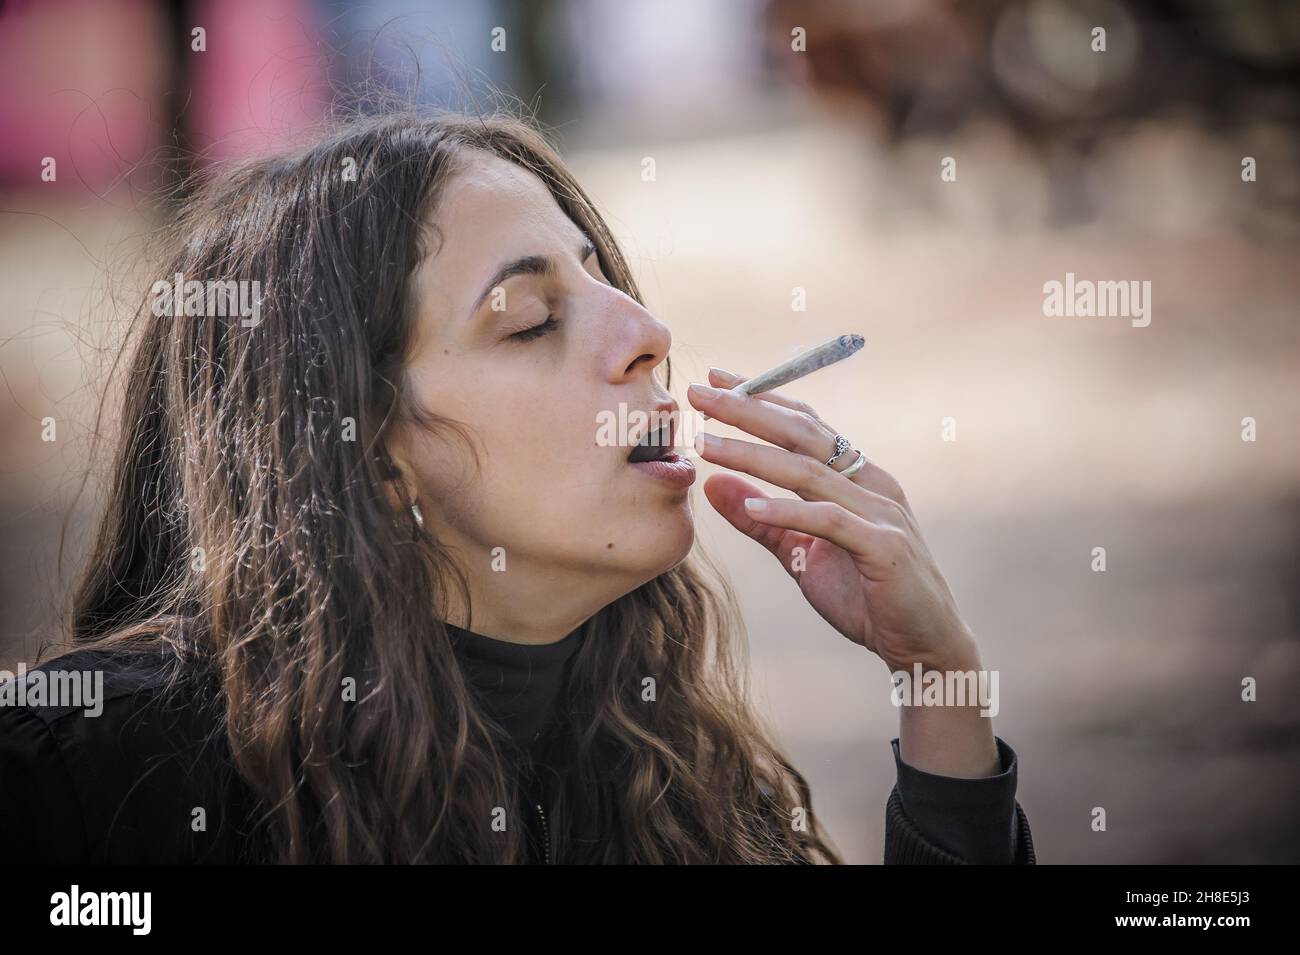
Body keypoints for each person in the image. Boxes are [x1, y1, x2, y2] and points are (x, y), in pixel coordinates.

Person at [0, 110, 1033, 864]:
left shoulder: (656, 778)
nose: (647, 336)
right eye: (532, 320)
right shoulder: (85, 783)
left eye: (604, 283)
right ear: (364, 447)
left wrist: (937, 677)